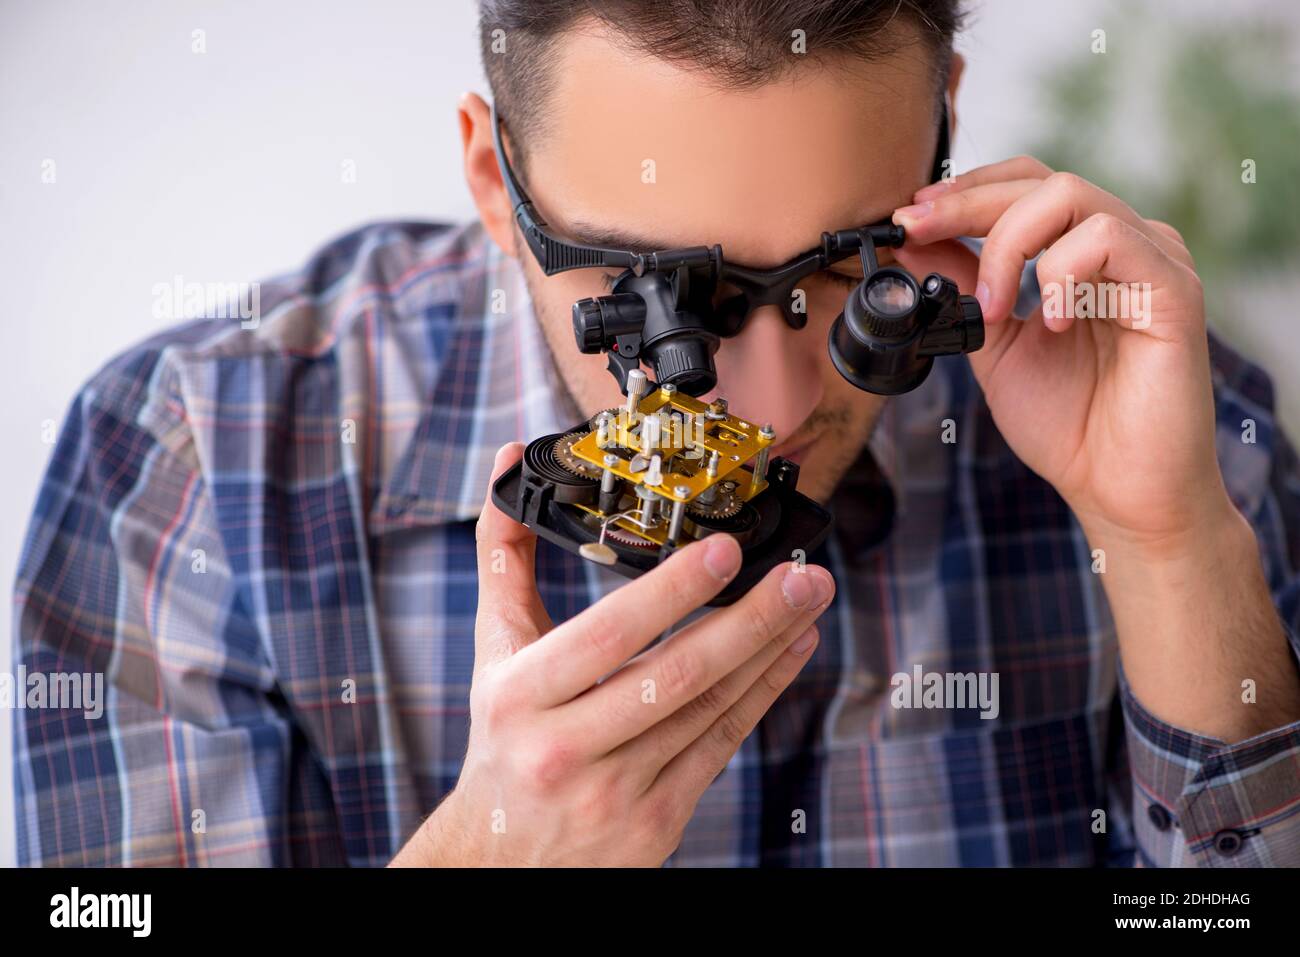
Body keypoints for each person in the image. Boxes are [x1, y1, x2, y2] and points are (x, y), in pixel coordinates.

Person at [13, 0, 1300, 868]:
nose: (778, 404)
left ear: (945, 128)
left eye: (847, 271)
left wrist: (1167, 545)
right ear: (492, 183)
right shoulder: (190, 463)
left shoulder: (1169, 422)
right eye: (650, 300)